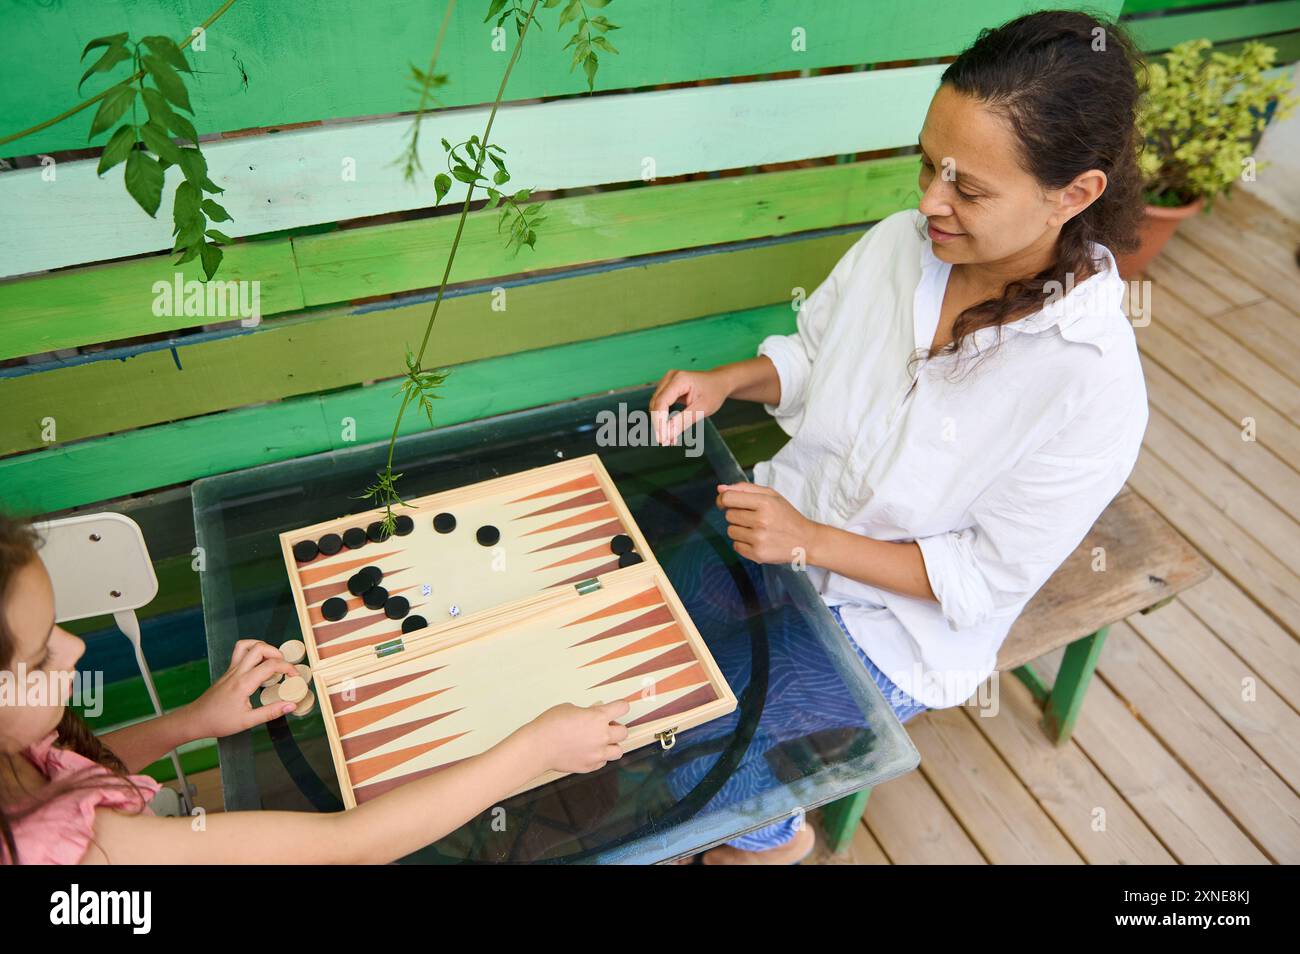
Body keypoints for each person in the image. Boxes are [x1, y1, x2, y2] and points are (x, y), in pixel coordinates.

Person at [650, 9, 1150, 864]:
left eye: (969, 188)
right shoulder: (900, 245)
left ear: (1075, 194)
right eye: (929, 164)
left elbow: (980, 578)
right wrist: (730, 380)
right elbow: (813, 359)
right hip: (779, 523)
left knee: (717, 778)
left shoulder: (1092, 386)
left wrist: (812, 541)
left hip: (890, 629)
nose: (928, 202)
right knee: (648, 657)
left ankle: (769, 843)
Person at [0, 513, 628, 864]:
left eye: (59, 627)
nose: (77, 650)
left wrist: (188, 722)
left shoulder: (17, 757)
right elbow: (346, 846)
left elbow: (76, 770)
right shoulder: (90, 858)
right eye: (39, 657)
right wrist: (536, 751)